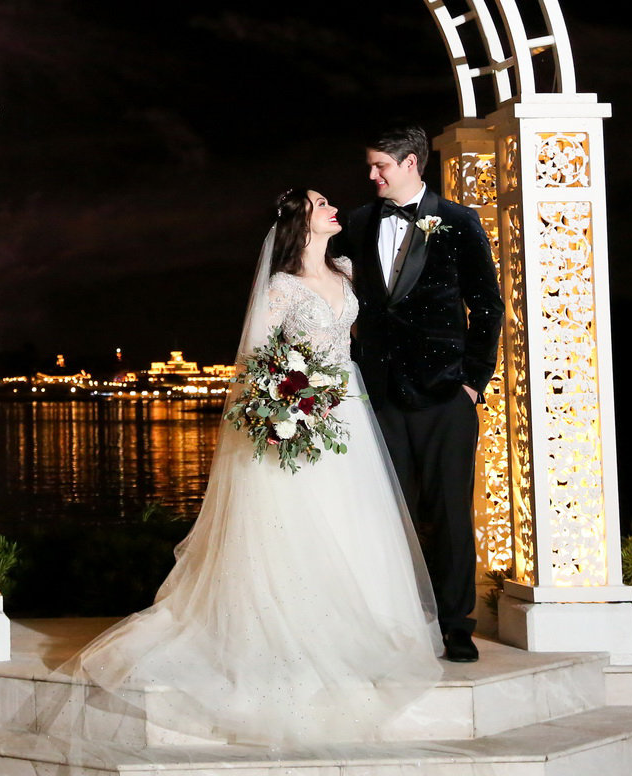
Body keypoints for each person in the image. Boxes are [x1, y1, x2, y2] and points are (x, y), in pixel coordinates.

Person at [57, 189, 441, 748]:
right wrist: (289, 406)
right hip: (302, 416)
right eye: (321, 203)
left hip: (348, 413)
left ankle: (365, 623)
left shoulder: (347, 272)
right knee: (300, 526)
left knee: (354, 519)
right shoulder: (281, 288)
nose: (333, 207)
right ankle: (295, 632)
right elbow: (254, 364)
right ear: (300, 221)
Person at [333, 125, 503, 663]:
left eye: (380, 165)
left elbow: (488, 306)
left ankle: (457, 626)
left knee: (451, 515)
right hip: (378, 395)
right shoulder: (358, 222)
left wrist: (472, 381)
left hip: (445, 394)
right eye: (370, 165)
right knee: (385, 516)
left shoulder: (458, 221)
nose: (371, 175)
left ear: (411, 163)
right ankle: (395, 624)